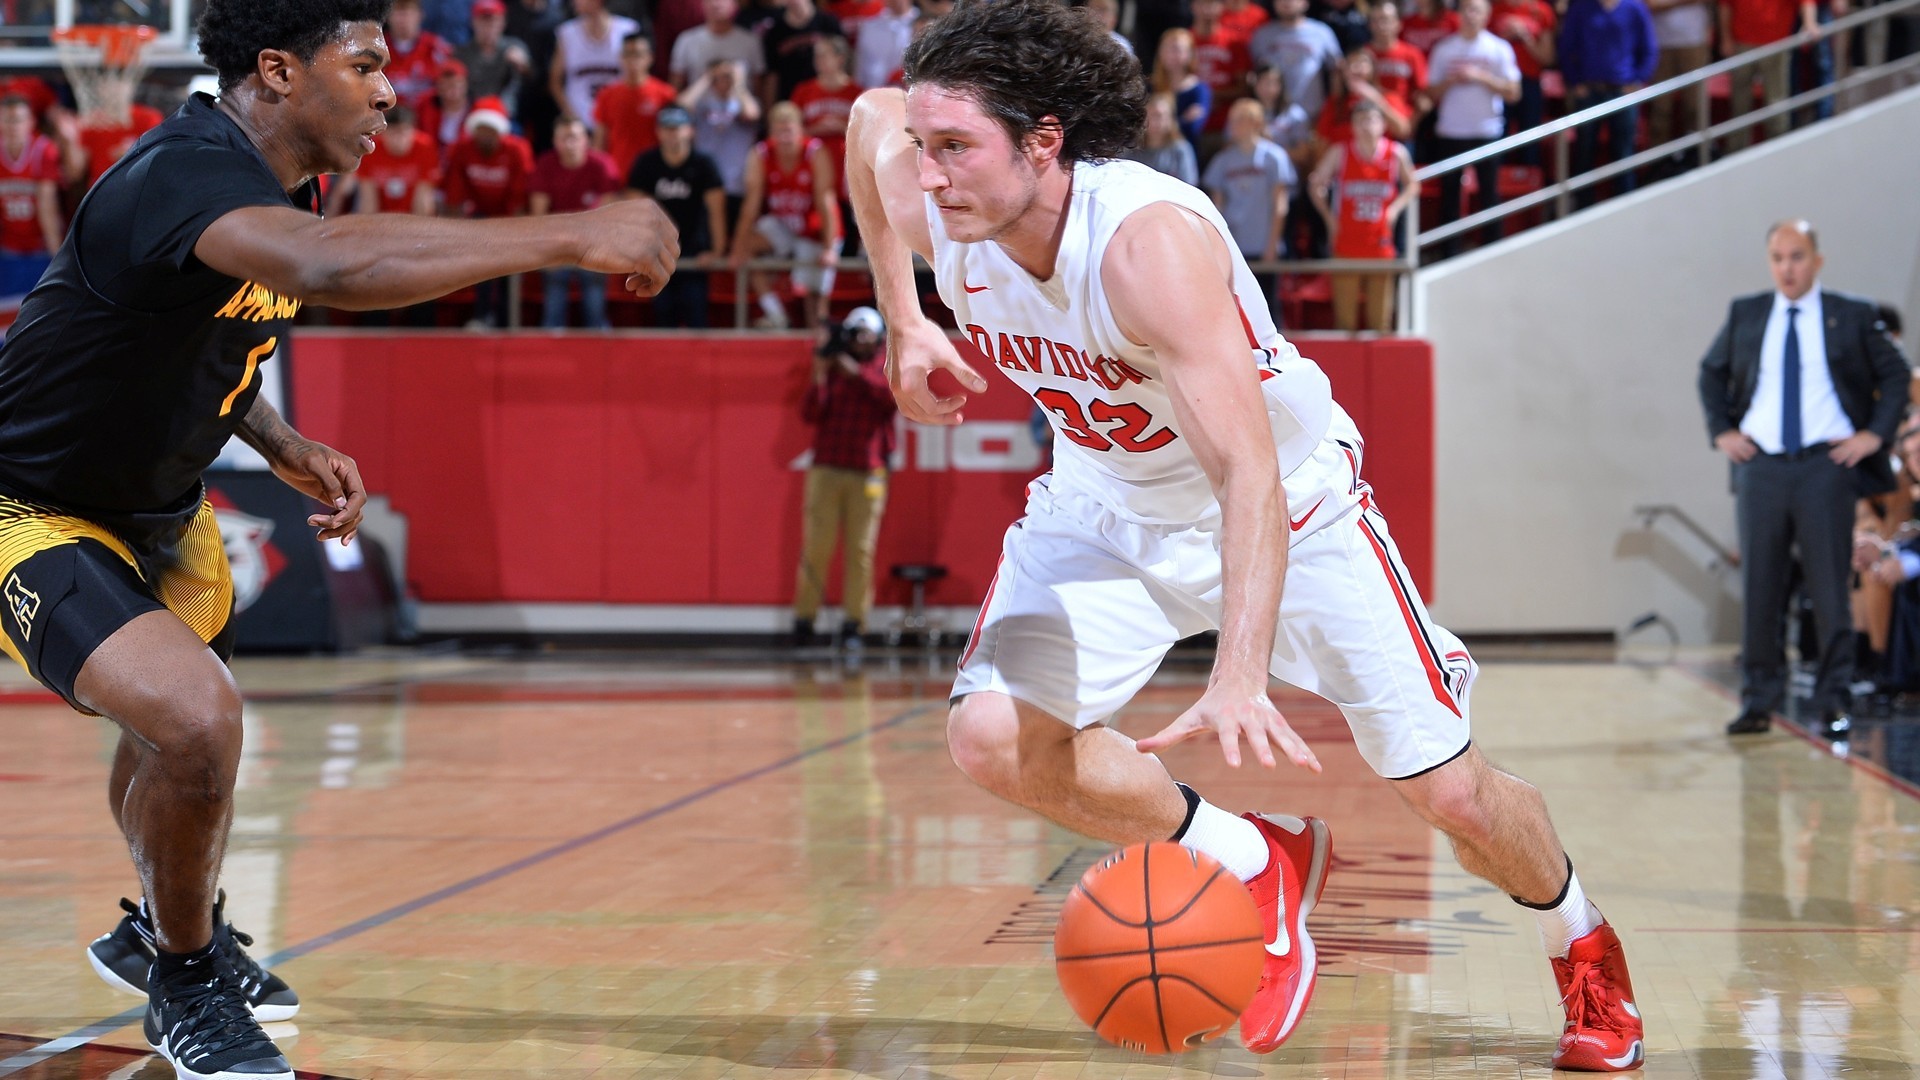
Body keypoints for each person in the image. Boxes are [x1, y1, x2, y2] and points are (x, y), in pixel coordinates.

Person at [843, 0, 1642, 1068]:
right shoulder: (939, 196)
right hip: (1102, 508)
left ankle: (1580, 941)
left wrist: (1239, 672)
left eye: (956, 148)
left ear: (1044, 140)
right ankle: (1250, 853)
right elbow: (865, 122)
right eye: (928, 148)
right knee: (993, 739)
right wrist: (904, 320)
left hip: (1291, 511)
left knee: (1451, 792)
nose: (929, 175)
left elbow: (1246, 470)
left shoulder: (1144, 248)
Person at [3, 3, 674, 1079]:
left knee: (168, 742)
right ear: (276, 69)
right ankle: (187, 982)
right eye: (364, 66)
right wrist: (568, 231)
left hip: (162, 512)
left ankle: (160, 931)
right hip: (26, 504)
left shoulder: (287, 185)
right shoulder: (184, 169)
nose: (389, 91)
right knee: (196, 718)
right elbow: (329, 270)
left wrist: (275, 436)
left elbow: (212, 334)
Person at [1698, 221, 1909, 741]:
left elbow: (1898, 375)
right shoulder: (1747, 313)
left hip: (1825, 466)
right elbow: (1710, 372)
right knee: (1762, 590)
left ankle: (1833, 701)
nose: (1787, 267)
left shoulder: (1851, 314)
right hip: (1762, 466)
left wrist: (1872, 437)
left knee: (1830, 588)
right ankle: (1757, 702)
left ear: (1817, 259)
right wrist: (1723, 431)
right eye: (1777, 257)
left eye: (1796, 256)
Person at [793, 306, 897, 650]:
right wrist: (820, 373)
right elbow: (811, 412)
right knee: (816, 547)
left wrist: (851, 370)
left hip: (868, 470)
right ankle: (805, 620)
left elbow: (887, 398)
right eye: (857, 334)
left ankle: (856, 623)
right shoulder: (834, 366)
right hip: (828, 467)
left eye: (868, 335)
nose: (862, 342)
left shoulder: (885, 365)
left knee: (860, 551)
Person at [732, 100, 842, 328]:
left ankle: (818, 338)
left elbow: (826, 202)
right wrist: (738, 249)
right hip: (784, 225)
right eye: (779, 131)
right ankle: (776, 316)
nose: (785, 137)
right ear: (771, 132)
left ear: (800, 130)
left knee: (812, 300)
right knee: (747, 250)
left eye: (789, 130)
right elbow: (751, 204)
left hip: (815, 228)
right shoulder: (761, 153)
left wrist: (829, 247)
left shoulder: (814, 152)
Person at [1309, 100, 1416, 332]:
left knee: (1381, 322)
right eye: (1360, 120)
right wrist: (1329, 218)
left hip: (1380, 244)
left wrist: (1395, 209)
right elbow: (1314, 184)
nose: (1367, 125)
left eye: (1372, 119)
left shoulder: (1396, 153)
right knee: (1344, 321)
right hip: (1346, 242)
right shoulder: (1340, 152)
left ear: (1383, 124)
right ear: (1353, 126)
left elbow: (1412, 186)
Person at [1428, 0, 1521, 256]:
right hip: (1451, 131)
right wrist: (1452, 80)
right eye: (1466, 9)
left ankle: (1491, 251)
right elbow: (1430, 93)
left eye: (1476, 10)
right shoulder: (1444, 49)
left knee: (1489, 194)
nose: (1471, 16)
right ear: (1457, 14)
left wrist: (1481, 77)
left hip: (1487, 131)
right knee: (1449, 197)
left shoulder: (1498, 48)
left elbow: (1514, 92)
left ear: (1487, 15)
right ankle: (1448, 253)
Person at [627, 105, 727, 327]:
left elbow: (716, 210)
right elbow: (633, 209)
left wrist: (716, 250)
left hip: (695, 254)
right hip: (658, 253)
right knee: (663, 316)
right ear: (659, 131)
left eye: (678, 128)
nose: (673, 133)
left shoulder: (704, 164)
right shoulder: (646, 163)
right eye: (667, 128)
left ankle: (699, 363)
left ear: (690, 130)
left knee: (696, 317)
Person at [442, 97, 537, 327]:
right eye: (481, 130)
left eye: (491, 130)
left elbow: (521, 194)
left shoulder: (517, 150)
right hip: (477, 219)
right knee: (481, 264)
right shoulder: (461, 150)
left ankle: (508, 321)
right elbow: (455, 193)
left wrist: (519, 233)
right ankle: (482, 316)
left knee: (507, 266)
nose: (486, 136)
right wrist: (452, 233)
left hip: (509, 220)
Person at [1202, 97, 1295, 326]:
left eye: (1237, 120)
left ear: (1253, 122)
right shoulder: (1223, 161)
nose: (1231, 126)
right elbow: (1217, 207)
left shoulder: (1274, 157)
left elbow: (1280, 205)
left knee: (1269, 310)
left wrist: (1272, 245)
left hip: (1264, 244)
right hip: (1236, 245)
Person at [1559, 0, 1657, 201]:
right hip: (1589, 91)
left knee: (1623, 150)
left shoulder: (1635, 7)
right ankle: (1582, 206)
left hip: (1622, 91)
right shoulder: (1581, 7)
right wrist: (1575, 81)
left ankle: (1625, 204)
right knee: (1585, 150)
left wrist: (1638, 79)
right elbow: (1566, 46)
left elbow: (1649, 47)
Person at [532, 118, 625, 328]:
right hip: (556, 245)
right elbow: (539, 216)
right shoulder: (546, 164)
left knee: (594, 308)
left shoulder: (602, 164)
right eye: (563, 138)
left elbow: (610, 213)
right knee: (553, 309)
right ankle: (549, 354)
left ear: (586, 140)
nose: (569, 144)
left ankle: (601, 354)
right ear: (555, 141)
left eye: (574, 137)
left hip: (592, 245)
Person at [1719, 0, 1819, 150]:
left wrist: (1809, 22)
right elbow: (1725, 5)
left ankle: (1778, 153)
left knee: (1776, 105)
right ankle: (1735, 154)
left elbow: (1807, 2)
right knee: (1739, 105)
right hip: (1741, 43)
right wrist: (1726, 37)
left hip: (1776, 43)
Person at [594, 32, 682, 180]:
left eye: (638, 54)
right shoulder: (607, 95)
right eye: (628, 54)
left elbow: (676, 136)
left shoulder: (665, 94)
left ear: (650, 58)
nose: (633, 60)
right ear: (621, 57)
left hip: (655, 175)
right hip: (617, 173)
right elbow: (600, 139)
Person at [0, 95, 63, 298]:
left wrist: (57, 261)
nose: (13, 125)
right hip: (8, 249)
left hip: (40, 249)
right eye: (7, 119)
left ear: (31, 122)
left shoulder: (43, 149)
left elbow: (47, 208)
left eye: (18, 119)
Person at [551, 0, 644, 129]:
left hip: (619, 120)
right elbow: (555, 82)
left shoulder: (627, 29)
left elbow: (640, 74)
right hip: (580, 124)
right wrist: (571, 117)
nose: (574, 2)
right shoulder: (567, 33)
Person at [1250, 0, 1347, 121]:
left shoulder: (1322, 32)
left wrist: (1334, 110)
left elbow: (1336, 70)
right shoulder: (1262, 35)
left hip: (1314, 114)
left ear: (1305, 3)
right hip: (1272, 118)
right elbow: (1253, 75)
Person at [454, 0, 534, 112]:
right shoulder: (461, 54)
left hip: (505, 112)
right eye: (483, 20)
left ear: (503, 22)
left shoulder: (514, 46)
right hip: (471, 112)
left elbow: (533, 79)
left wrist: (523, 66)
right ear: (473, 22)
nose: (489, 26)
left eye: (493, 20)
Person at [760, 0, 843, 108]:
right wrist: (769, 112)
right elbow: (771, 75)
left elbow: (843, 63)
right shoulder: (775, 31)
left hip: (826, 100)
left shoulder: (828, 23)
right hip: (789, 99)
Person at [669, 0, 766, 90]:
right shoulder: (686, 40)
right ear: (702, 4)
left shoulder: (750, 41)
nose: (716, 4)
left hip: (741, 106)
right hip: (697, 106)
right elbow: (675, 84)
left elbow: (758, 85)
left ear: (735, 4)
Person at [1152, 28, 1213, 149]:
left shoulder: (1199, 90)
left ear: (1190, 54)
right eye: (1167, 48)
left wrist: (1157, 122)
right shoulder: (1150, 86)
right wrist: (1182, 119)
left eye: (1177, 49)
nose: (1171, 54)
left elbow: (1193, 127)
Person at [1123, 93, 1201, 186]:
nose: (1158, 121)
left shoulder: (1181, 148)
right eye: (1153, 116)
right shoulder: (1131, 148)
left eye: (1162, 116)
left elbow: (1189, 184)